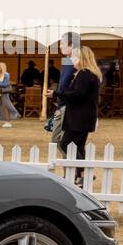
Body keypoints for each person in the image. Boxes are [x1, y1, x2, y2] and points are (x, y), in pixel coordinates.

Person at [55, 45, 101, 187]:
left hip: (79, 117)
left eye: (74, 57)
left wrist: (58, 93)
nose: (71, 60)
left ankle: (84, 172)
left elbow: (77, 95)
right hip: (85, 116)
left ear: (81, 58)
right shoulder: (92, 74)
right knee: (79, 147)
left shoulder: (84, 74)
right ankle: (80, 175)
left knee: (66, 144)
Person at [44, 32, 78, 132]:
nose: (60, 46)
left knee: (64, 140)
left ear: (71, 45)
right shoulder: (67, 60)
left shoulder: (78, 62)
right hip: (62, 103)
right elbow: (63, 82)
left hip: (71, 105)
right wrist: (56, 95)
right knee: (56, 139)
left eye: (62, 43)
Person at [0, 61, 19, 127]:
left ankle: (9, 121)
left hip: (4, 93)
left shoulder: (6, 74)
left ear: (2, 67)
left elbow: (5, 84)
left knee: (6, 106)